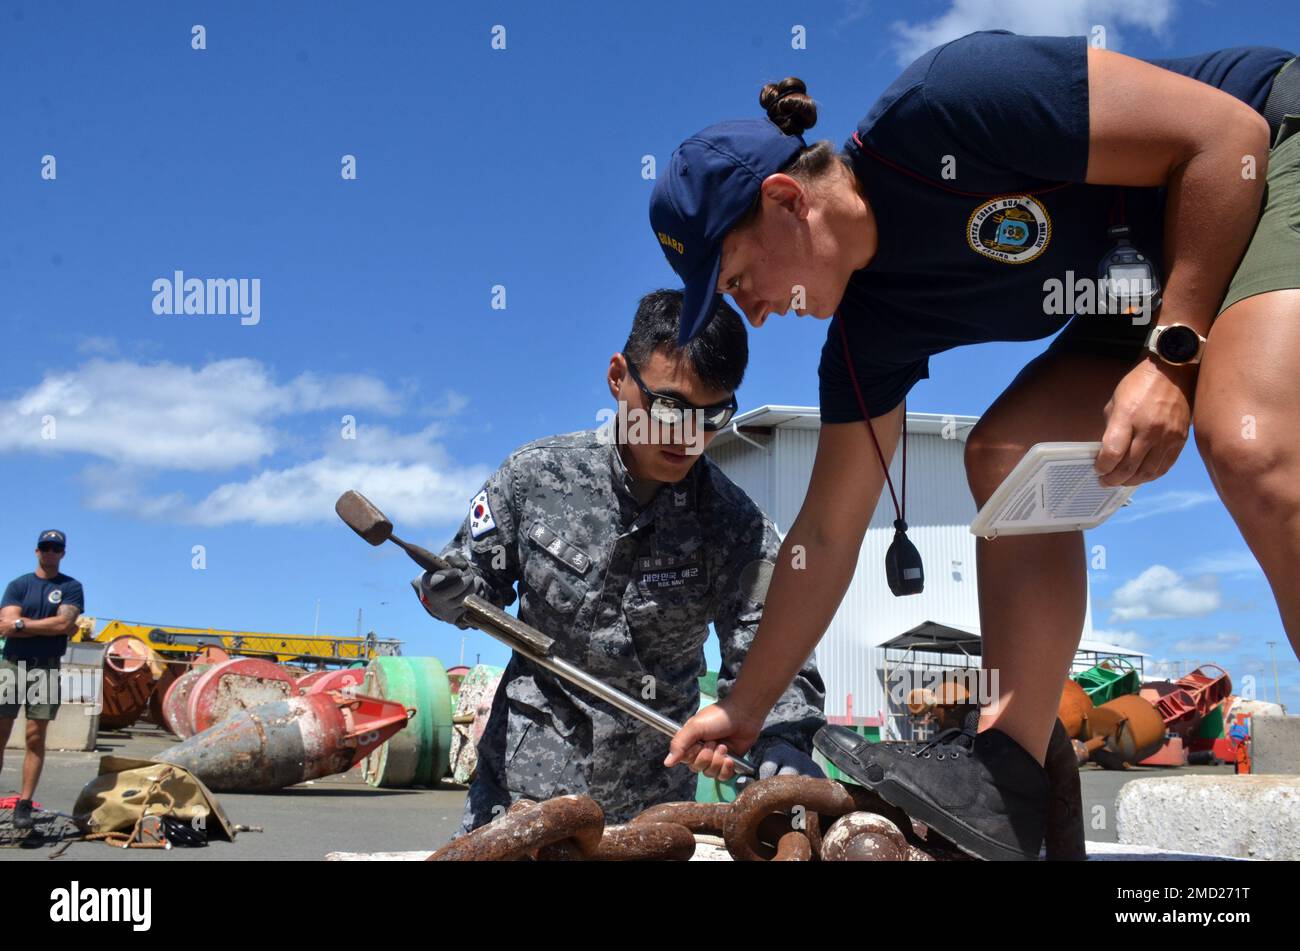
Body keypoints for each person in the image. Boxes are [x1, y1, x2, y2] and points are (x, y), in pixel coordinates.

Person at [650, 30, 1300, 860]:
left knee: (1250, 440)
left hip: (1260, 155)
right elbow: (826, 534)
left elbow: (1225, 141)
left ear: (785, 199)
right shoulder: (867, 333)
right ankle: (1009, 776)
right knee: (1004, 460)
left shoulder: (949, 109)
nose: (755, 311)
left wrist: (1174, 353)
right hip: (1146, 286)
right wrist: (743, 709)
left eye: (740, 280)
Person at [414, 288, 825, 835]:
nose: (689, 437)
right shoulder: (533, 479)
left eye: (714, 415)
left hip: (650, 814)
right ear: (618, 377)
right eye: (672, 408)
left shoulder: (735, 526)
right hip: (517, 799)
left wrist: (782, 739)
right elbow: (470, 581)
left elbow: (774, 645)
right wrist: (448, 593)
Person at [0, 530, 85, 831]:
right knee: (0, 733)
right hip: (12, 665)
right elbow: (6, 626)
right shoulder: (19, 585)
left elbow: (64, 622)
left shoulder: (71, 587)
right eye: (45, 547)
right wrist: (44, 627)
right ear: (37, 551)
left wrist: (23, 624)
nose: (50, 552)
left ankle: (24, 803)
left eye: (56, 548)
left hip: (46, 668)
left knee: (35, 738)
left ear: (63, 554)